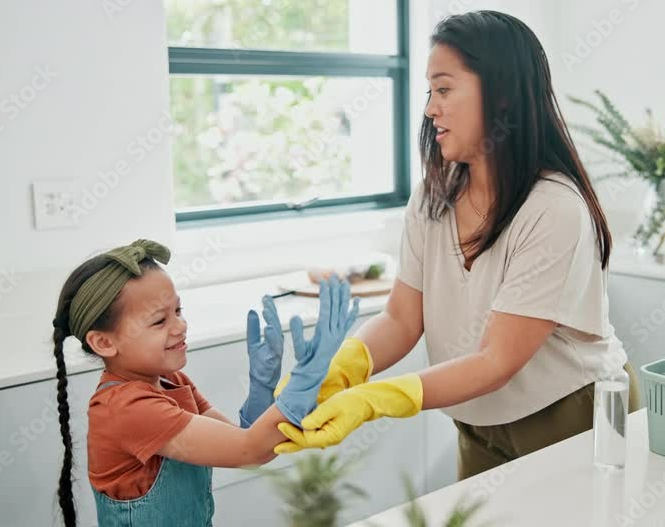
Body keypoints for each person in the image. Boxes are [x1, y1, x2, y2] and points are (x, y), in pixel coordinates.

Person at [275, 11, 641, 479]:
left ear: (503, 95)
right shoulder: (433, 196)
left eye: (444, 89)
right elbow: (402, 318)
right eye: (430, 91)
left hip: (572, 414)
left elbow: (496, 360)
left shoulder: (554, 209)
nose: (430, 108)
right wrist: (345, 366)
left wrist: (375, 400)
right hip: (478, 416)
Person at [50, 239, 362, 526]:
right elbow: (250, 451)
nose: (180, 326)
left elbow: (246, 442)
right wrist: (306, 377)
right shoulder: (127, 409)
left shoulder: (171, 382)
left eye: (178, 310)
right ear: (104, 342)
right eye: (160, 320)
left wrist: (261, 388)